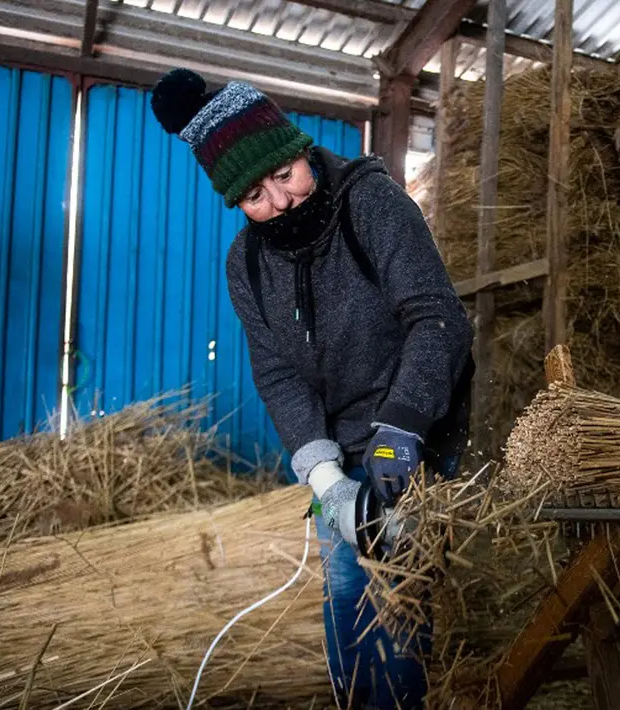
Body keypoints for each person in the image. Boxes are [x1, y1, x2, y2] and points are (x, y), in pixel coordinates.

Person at [150, 68, 474, 710]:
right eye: (253, 196)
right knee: (346, 579)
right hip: (336, 439)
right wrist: (328, 481)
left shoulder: (372, 205)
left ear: (301, 150)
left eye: (285, 177)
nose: (279, 201)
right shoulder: (245, 264)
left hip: (414, 417)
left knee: (400, 582)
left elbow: (436, 317)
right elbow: (276, 373)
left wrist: (404, 423)